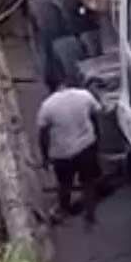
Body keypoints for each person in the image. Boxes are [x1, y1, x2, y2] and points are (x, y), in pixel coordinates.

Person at [37, 81, 103, 224]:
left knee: (65, 183)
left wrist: (45, 157)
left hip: (63, 153)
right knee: (88, 181)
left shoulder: (47, 106)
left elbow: (43, 135)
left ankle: (64, 210)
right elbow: (96, 117)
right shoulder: (84, 96)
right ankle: (90, 212)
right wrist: (98, 139)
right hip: (86, 146)